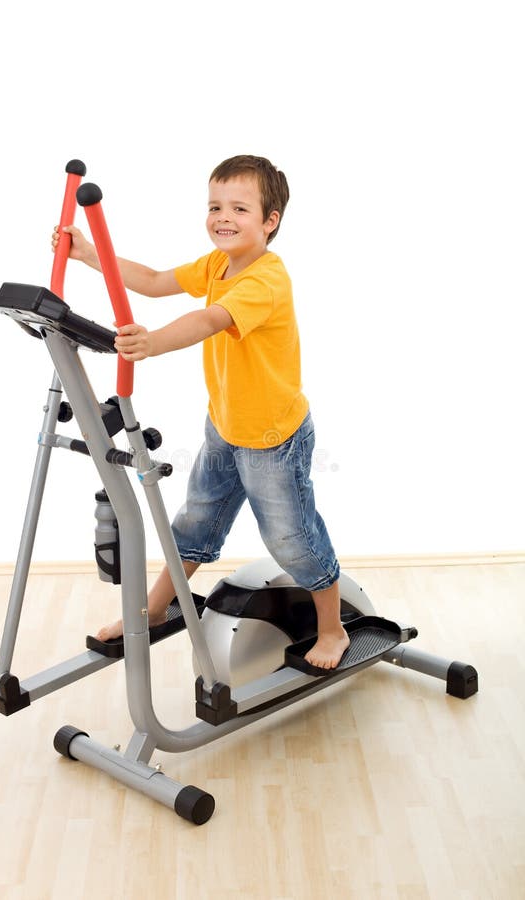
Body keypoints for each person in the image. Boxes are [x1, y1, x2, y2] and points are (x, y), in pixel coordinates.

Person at [52, 155, 349, 669]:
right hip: (226, 427)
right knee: (192, 525)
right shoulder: (217, 264)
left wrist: (154, 342)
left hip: (274, 438)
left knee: (292, 539)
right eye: (215, 206)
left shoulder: (266, 279)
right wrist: (89, 253)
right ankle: (152, 610)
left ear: (270, 221)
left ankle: (333, 629)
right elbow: (151, 280)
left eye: (239, 208)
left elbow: (209, 319)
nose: (223, 217)